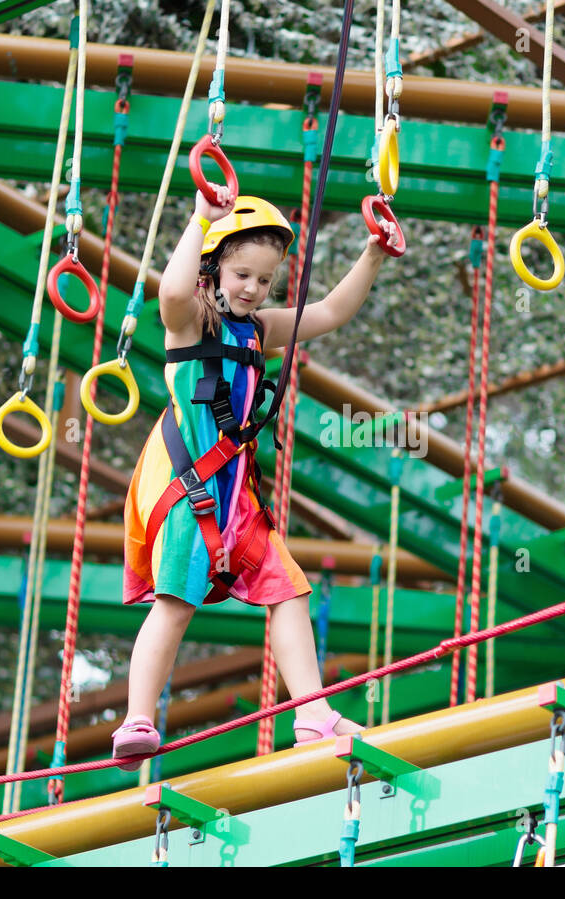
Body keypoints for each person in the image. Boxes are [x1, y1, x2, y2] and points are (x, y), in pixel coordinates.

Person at [113, 187, 397, 769]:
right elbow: (169, 290)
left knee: (288, 589)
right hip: (191, 490)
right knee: (175, 602)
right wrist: (199, 220)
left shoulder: (259, 330)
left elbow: (329, 313)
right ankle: (137, 718)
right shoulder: (189, 323)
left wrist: (374, 253)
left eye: (265, 281)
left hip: (235, 500)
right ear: (212, 269)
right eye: (242, 274)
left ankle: (313, 713)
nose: (253, 290)